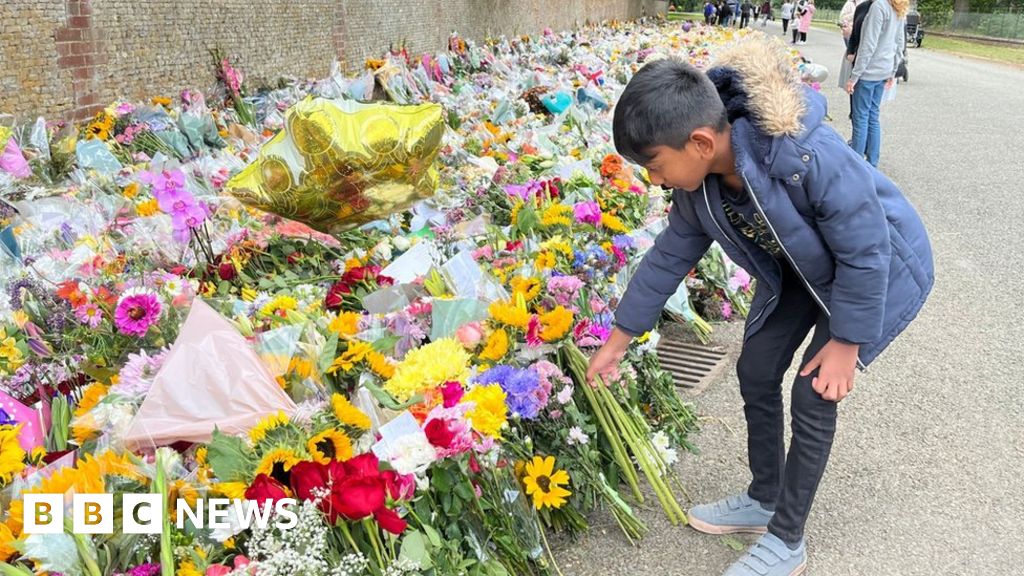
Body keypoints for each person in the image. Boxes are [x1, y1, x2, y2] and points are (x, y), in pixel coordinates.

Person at [593, 35, 933, 576]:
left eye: (654, 166)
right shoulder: (697, 187)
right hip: (803, 271)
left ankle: (787, 538)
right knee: (755, 368)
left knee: (815, 391)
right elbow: (666, 260)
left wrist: (846, 343)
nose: (652, 181)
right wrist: (618, 341)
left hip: (881, 269)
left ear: (701, 142)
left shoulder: (804, 153)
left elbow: (867, 248)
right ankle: (765, 494)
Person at [847, 0, 907, 166]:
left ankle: (856, 165)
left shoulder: (878, 7)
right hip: (884, 70)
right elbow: (900, 44)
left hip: (869, 72)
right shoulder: (898, 7)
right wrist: (893, 71)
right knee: (873, 116)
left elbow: (868, 44)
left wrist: (854, 76)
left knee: (860, 118)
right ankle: (872, 162)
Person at [838, 0, 874, 119]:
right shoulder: (860, 6)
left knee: (865, 114)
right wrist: (851, 50)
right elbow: (854, 34)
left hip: (870, 63)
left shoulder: (880, 8)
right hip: (858, 54)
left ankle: (859, 136)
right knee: (864, 112)